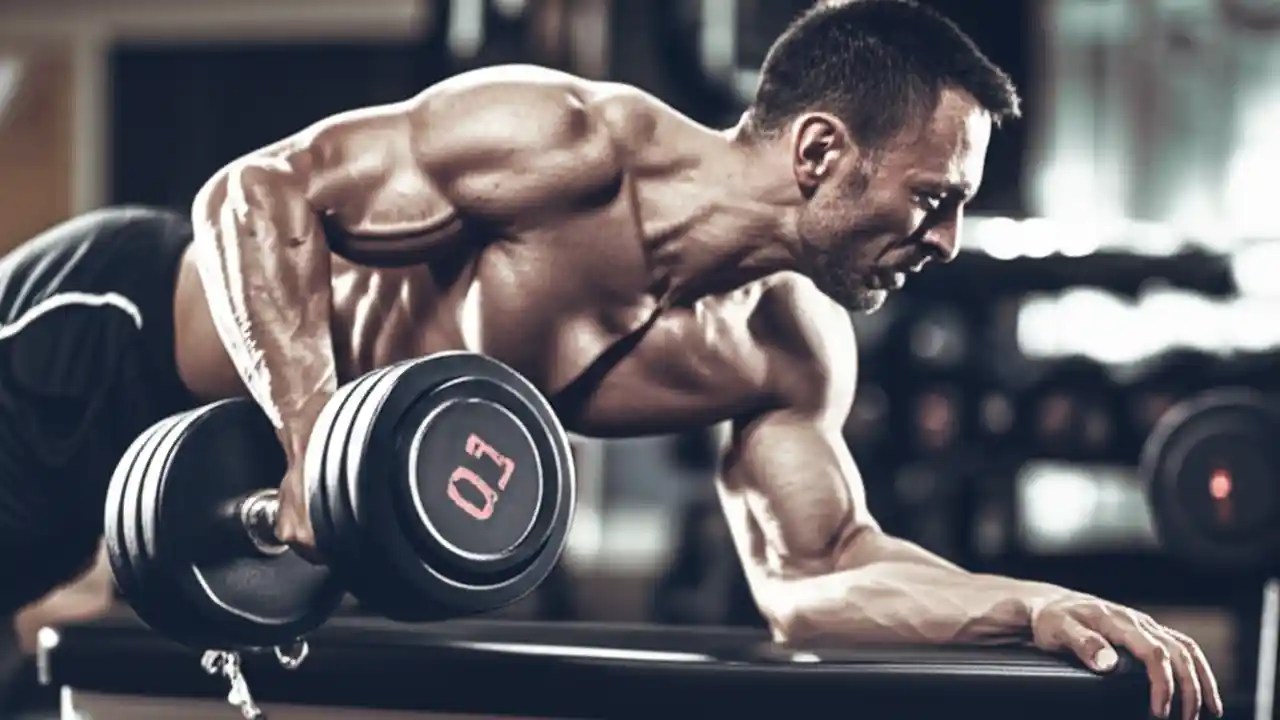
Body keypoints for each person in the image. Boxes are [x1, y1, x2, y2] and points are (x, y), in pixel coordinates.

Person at [0, 2, 1218, 718]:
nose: (946, 241)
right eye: (931, 198)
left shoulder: (784, 348)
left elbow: (816, 572)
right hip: (108, 337)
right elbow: (255, 196)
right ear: (816, 153)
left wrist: (1029, 607)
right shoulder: (563, 145)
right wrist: (319, 431)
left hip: (217, 495)